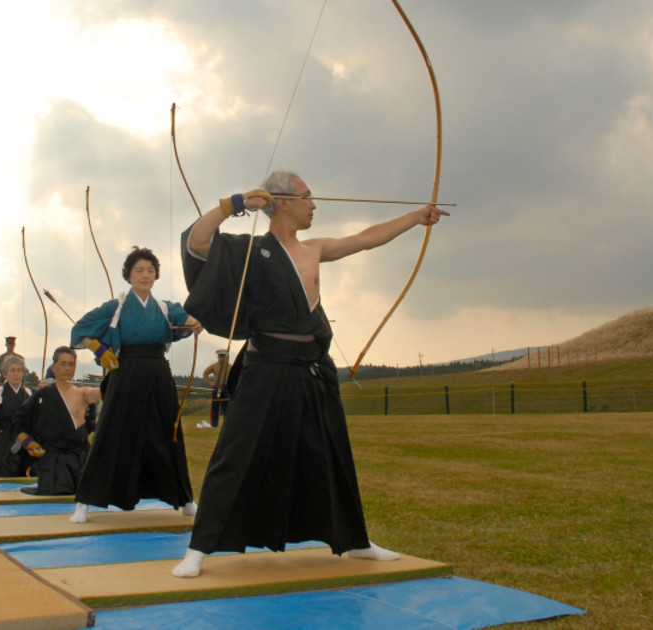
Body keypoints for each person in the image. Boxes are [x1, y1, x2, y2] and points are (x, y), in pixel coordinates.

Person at [172, 170, 448, 578]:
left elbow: (365, 238)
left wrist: (415, 217)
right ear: (282, 202)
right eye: (307, 197)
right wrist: (233, 205)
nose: (314, 205)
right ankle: (198, 549)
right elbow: (196, 241)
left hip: (313, 370)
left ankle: (356, 541)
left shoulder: (313, 249)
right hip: (266, 367)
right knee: (235, 453)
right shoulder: (249, 250)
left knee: (334, 454)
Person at [68, 248, 201, 524]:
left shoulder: (164, 307)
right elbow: (79, 331)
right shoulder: (114, 308)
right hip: (124, 371)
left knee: (168, 433)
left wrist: (193, 321)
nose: (145, 275)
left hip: (157, 372)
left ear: (156, 276)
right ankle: (84, 501)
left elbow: (185, 318)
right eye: (139, 270)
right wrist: (99, 347)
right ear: (129, 275)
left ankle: (185, 499)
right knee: (110, 433)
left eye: (150, 271)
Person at [10, 347, 99, 496]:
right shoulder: (42, 395)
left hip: (78, 457)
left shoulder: (83, 393)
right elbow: (19, 418)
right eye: (63, 364)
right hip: (52, 460)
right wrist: (26, 441)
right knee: (56, 492)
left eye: (71, 364)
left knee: (86, 493)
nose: (67, 368)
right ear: (54, 367)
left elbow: (107, 390)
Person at [198, 349, 231, 429]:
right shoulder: (214, 366)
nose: (221, 358)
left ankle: (227, 426)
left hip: (226, 387)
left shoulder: (230, 366)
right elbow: (205, 373)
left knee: (226, 408)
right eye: (220, 357)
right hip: (217, 387)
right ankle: (214, 425)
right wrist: (210, 383)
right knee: (215, 407)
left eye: (223, 357)